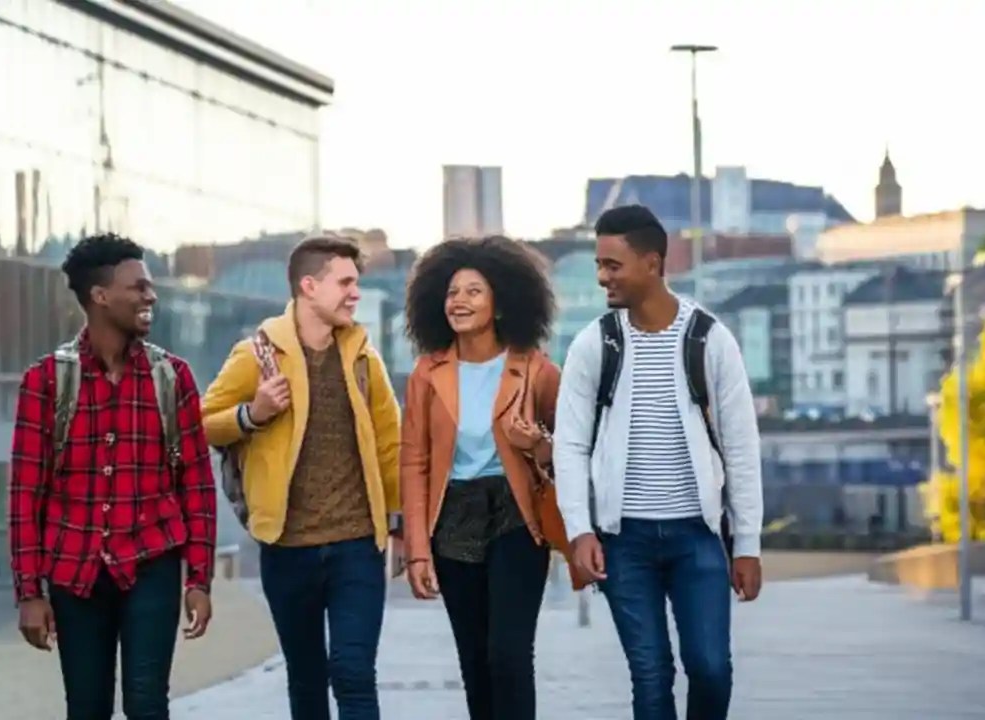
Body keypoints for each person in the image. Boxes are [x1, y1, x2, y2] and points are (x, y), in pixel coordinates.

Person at [553, 205, 764, 720]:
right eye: (599, 264)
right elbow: (571, 446)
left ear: (652, 262)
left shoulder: (709, 340)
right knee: (651, 676)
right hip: (625, 543)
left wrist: (748, 545)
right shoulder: (594, 344)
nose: (602, 276)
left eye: (612, 264)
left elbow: (740, 445)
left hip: (698, 536)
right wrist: (580, 530)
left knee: (711, 668)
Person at [8, 233, 216, 720]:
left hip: (152, 563)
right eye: (138, 287)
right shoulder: (46, 382)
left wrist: (199, 580)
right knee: (86, 707)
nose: (151, 296)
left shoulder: (173, 378)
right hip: (73, 570)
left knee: (147, 703)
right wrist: (29, 594)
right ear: (100, 297)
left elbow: (197, 488)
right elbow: (24, 496)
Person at [202, 234, 402, 720]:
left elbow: (389, 441)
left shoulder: (362, 358)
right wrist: (253, 412)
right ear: (309, 286)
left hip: (358, 545)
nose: (355, 293)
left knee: (354, 672)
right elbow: (203, 422)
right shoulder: (256, 354)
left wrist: (399, 524)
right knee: (306, 678)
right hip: (287, 548)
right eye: (346, 282)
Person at [400, 235, 564, 720]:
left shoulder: (537, 370)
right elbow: (414, 464)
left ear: (500, 301)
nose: (459, 301)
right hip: (452, 519)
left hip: (517, 516)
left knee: (509, 656)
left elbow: (569, 455)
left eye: (473, 291)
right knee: (474, 660)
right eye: (452, 292)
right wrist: (417, 549)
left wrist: (535, 443)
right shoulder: (427, 374)